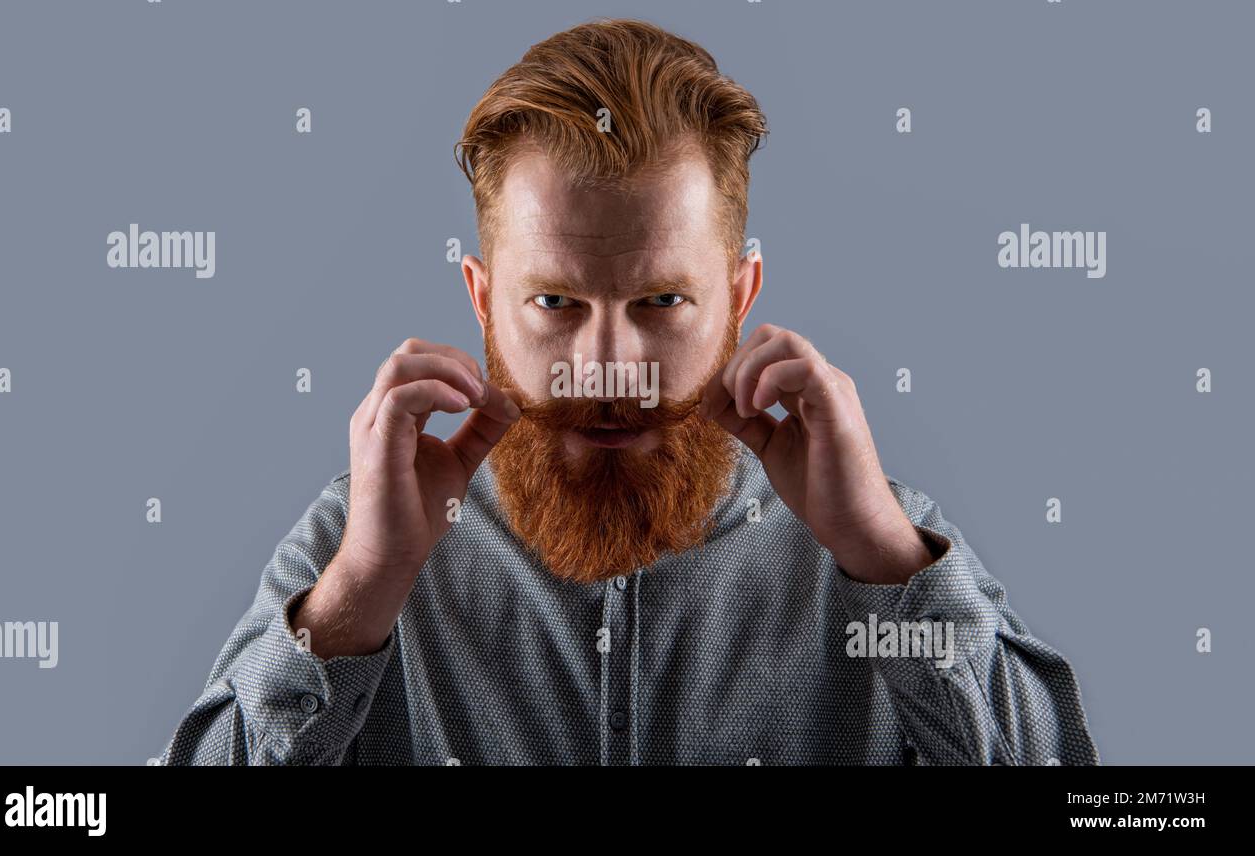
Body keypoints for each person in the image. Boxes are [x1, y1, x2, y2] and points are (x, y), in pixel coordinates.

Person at [160, 18, 1097, 765]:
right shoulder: (360, 540)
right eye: (556, 302)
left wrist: (885, 558)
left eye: (660, 300)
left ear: (739, 299)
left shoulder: (874, 544)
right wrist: (358, 599)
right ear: (483, 302)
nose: (608, 364)